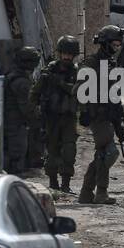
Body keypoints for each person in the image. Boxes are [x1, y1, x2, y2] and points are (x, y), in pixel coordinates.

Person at [78, 24, 124, 204]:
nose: (116, 48)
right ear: (105, 44)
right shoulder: (91, 62)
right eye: (114, 44)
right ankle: (101, 193)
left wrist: (119, 118)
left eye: (118, 45)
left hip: (109, 114)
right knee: (109, 152)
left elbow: (115, 94)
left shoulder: (112, 64)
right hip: (96, 115)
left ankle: (86, 192)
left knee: (102, 154)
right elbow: (79, 89)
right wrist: (84, 111)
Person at [31, 36, 81, 193]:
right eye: (64, 54)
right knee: (52, 152)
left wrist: (59, 82)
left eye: (70, 55)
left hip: (68, 118)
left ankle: (65, 184)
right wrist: (33, 113)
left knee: (69, 151)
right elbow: (35, 93)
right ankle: (53, 183)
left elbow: (77, 91)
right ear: (60, 53)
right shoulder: (49, 70)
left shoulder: (77, 72)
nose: (66, 57)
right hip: (51, 118)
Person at [3, 46, 41, 175]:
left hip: (11, 120)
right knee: (17, 152)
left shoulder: (12, 75)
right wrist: (39, 118)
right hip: (16, 122)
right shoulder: (21, 82)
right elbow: (27, 107)